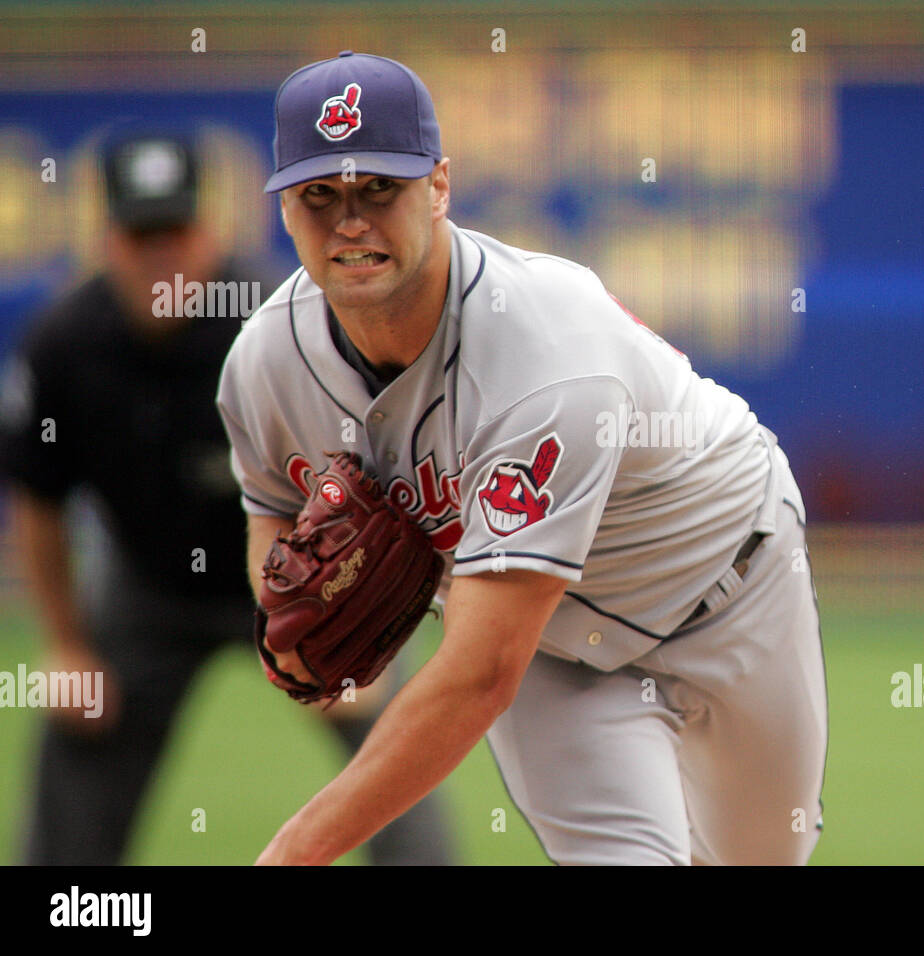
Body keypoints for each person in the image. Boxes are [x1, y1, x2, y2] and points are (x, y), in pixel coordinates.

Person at [219, 51, 828, 866]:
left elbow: (477, 674)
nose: (349, 222)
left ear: (439, 187)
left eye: (379, 190)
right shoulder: (265, 362)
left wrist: (293, 852)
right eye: (319, 195)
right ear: (284, 209)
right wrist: (286, 620)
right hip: (554, 651)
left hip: (733, 586)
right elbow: (273, 515)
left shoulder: (544, 353)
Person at [0, 128, 454, 865]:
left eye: (175, 232)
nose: (161, 255)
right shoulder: (65, 342)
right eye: (140, 235)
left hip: (299, 572)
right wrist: (65, 644)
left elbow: (381, 461)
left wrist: (364, 628)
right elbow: (38, 495)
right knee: (77, 726)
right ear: (106, 241)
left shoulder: (283, 327)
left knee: (395, 734)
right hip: (147, 584)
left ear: (209, 232)